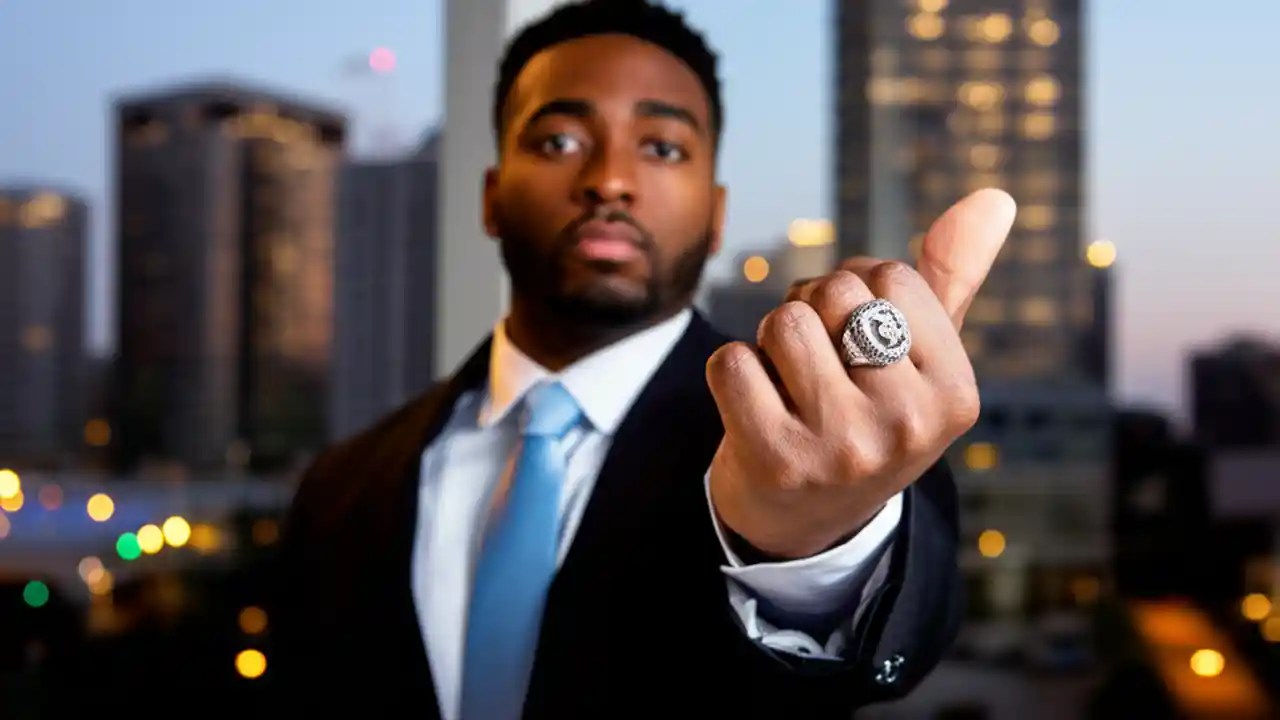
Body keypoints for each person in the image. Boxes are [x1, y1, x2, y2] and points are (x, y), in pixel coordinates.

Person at [268, 0, 1014, 717]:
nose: (609, 180)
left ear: (717, 213)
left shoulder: (809, 427)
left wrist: (811, 542)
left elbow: (896, 636)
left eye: (661, 147)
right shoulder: (340, 485)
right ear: (491, 197)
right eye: (559, 142)